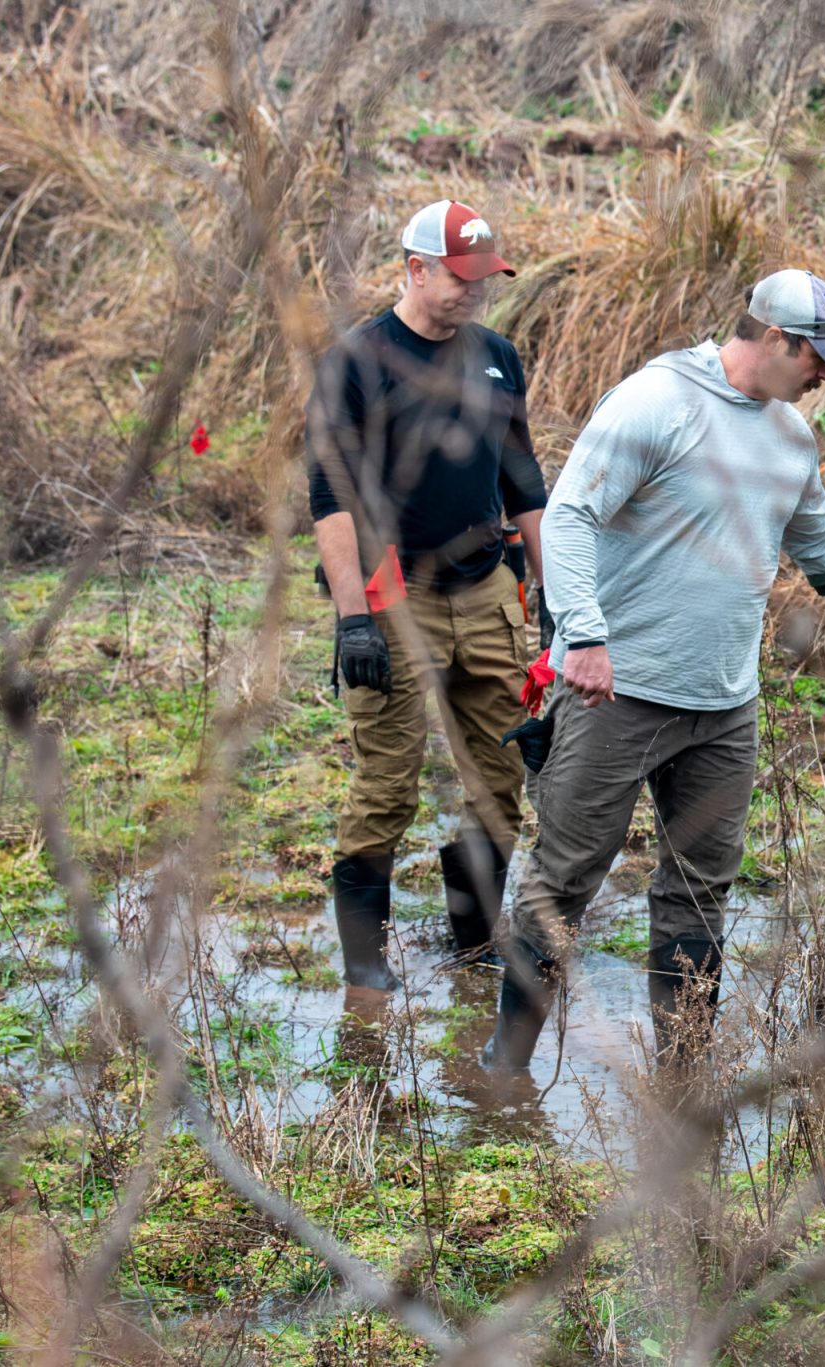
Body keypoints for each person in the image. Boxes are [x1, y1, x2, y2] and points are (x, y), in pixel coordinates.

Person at [481, 268, 825, 1075]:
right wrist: (581, 636)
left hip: (724, 706)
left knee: (700, 894)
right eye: (818, 358)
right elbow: (571, 516)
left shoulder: (790, 436)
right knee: (562, 884)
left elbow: (822, 541)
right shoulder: (656, 403)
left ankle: (684, 1084)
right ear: (774, 338)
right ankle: (504, 1069)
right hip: (615, 692)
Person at [307, 199, 546, 992]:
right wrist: (354, 621)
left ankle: (473, 947)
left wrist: (552, 597)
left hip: (488, 593)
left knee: (501, 780)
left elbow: (523, 480)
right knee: (385, 785)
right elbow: (329, 499)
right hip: (391, 594)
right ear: (415, 269)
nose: (475, 292)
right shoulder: (358, 361)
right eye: (460, 278)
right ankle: (366, 978)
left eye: (486, 278)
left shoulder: (496, 357)